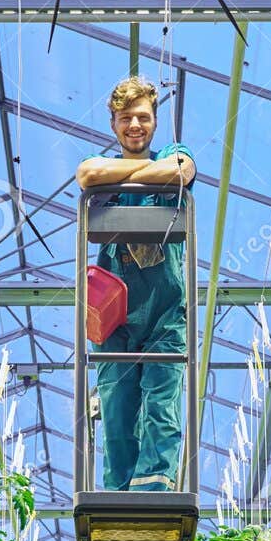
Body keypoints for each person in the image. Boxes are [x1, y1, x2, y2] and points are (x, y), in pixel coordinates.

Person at [76, 77, 196, 492]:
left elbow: (180, 170)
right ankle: (120, 490)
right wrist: (144, 172)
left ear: (156, 122)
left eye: (143, 117)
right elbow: (87, 173)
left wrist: (123, 175)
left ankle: (154, 486)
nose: (135, 126)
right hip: (115, 317)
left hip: (166, 311)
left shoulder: (175, 154)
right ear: (113, 124)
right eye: (126, 119)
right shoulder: (101, 164)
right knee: (116, 403)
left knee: (162, 400)